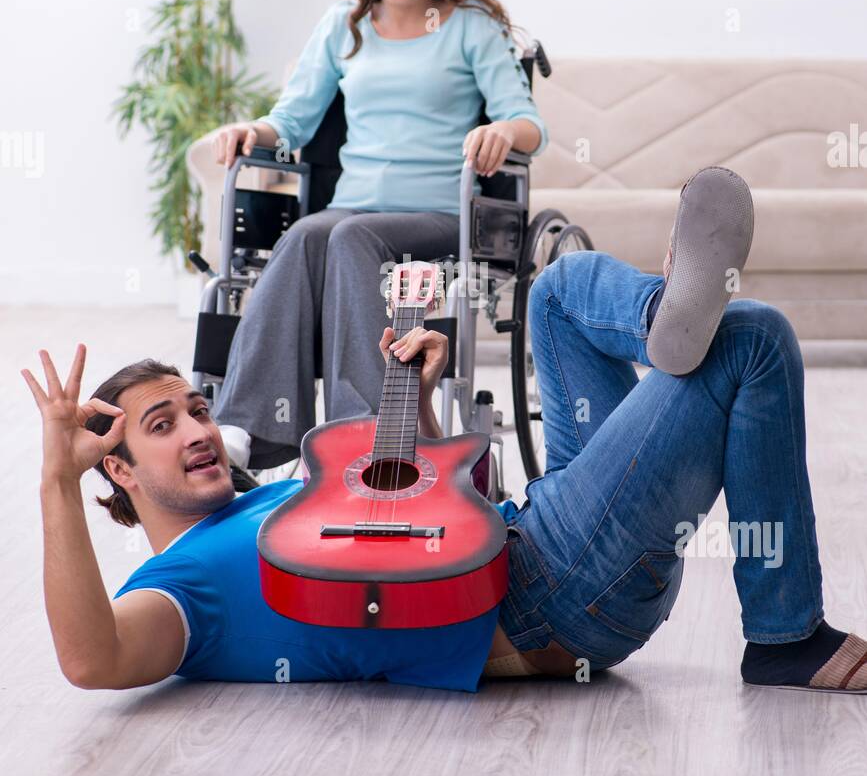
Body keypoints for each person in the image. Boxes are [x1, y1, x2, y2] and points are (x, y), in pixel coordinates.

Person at [24, 167, 867, 694]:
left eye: (197, 407)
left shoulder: (280, 498)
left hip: (534, 527)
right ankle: (784, 636)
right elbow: (93, 662)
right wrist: (54, 480)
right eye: (162, 425)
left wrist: (420, 400)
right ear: (120, 471)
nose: (197, 427)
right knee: (751, 338)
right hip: (555, 599)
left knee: (558, 290)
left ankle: (658, 317)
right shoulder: (180, 592)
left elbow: (441, 504)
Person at [205, 0, 548, 473]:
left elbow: (528, 122)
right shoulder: (345, 25)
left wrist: (503, 132)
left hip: (439, 217)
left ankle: (358, 434)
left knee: (347, 236)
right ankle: (243, 429)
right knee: (309, 233)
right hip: (353, 210)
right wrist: (252, 132)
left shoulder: (469, 25)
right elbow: (292, 118)